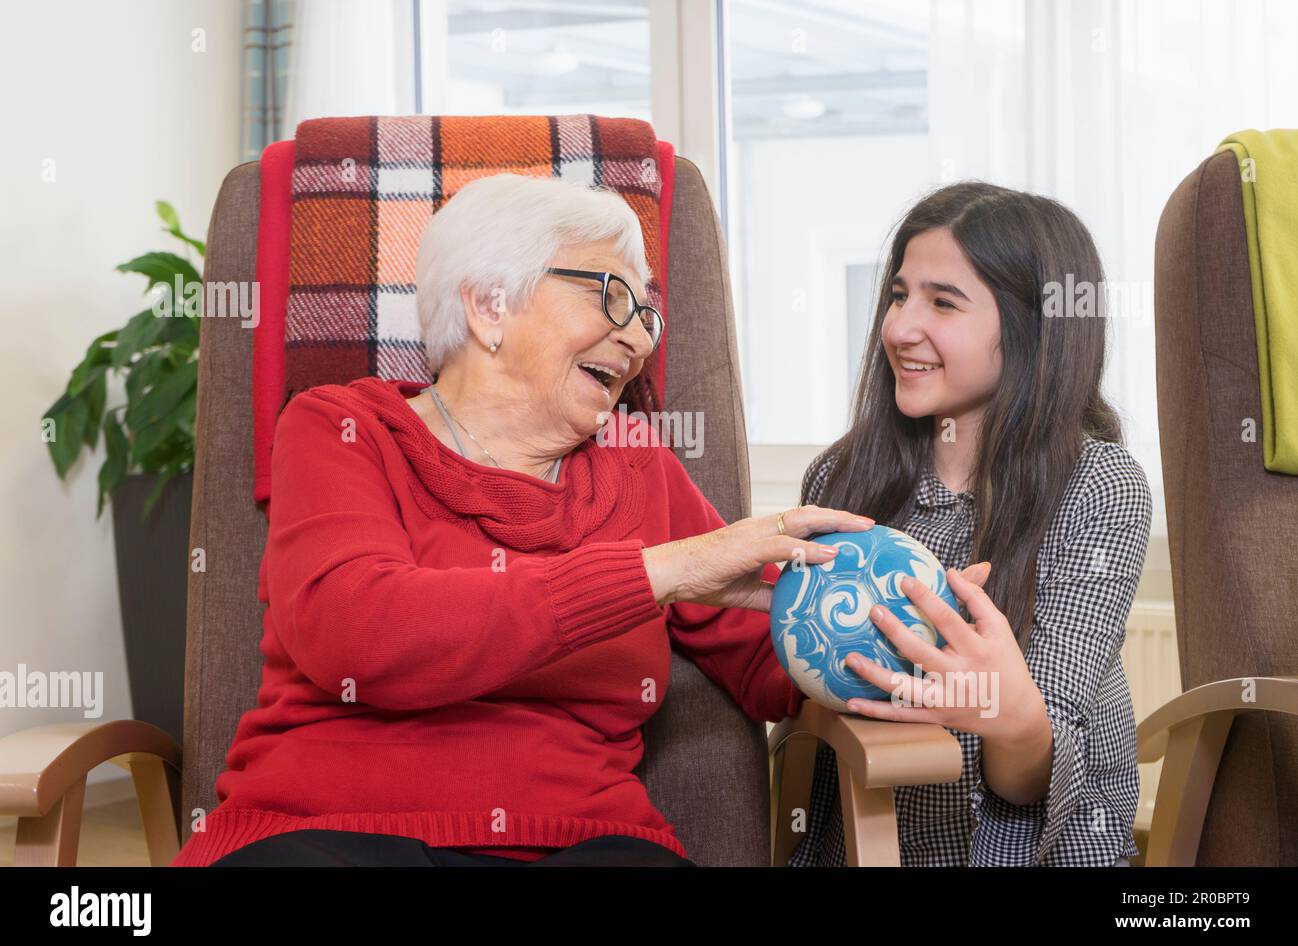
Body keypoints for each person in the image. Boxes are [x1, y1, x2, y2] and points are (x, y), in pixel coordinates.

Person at [170, 172, 892, 867]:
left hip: (581, 842)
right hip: (326, 832)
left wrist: (899, 638)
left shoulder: (639, 468)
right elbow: (357, 632)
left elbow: (777, 662)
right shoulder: (344, 429)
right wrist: (660, 571)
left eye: (646, 315)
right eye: (613, 298)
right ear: (489, 303)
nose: (640, 341)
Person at [785, 182, 1151, 867]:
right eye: (899, 295)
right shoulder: (841, 480)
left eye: (942, 303)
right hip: (869, 848)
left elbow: (1028, 777)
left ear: (1031, 327)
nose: (898, 328)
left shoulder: (1100, 487)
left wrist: (1006, 712)